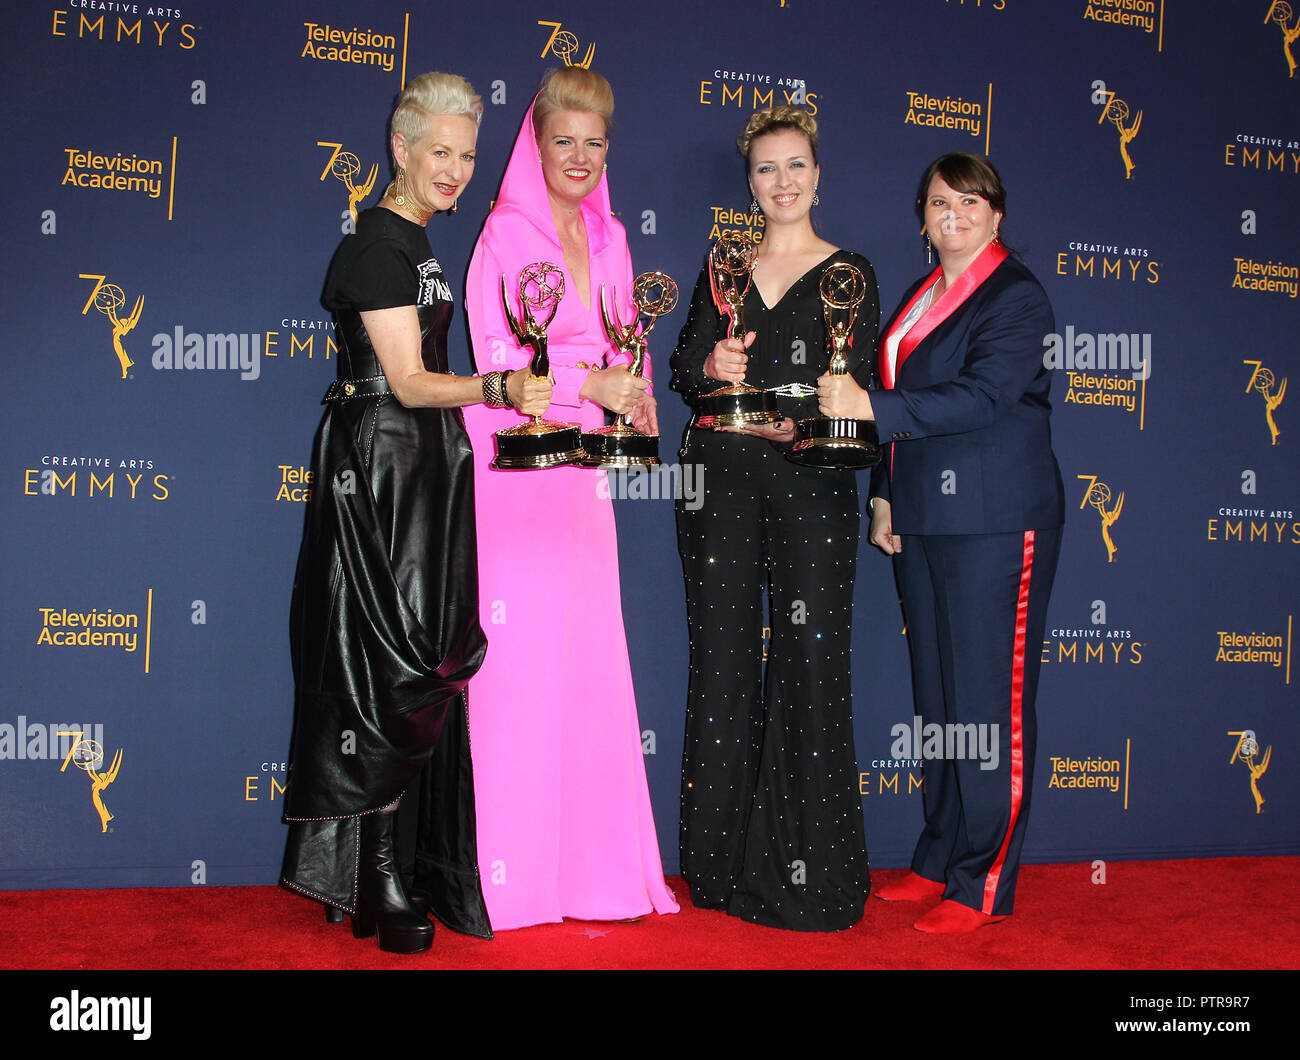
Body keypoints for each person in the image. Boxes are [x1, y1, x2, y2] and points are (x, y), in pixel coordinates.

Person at [280, 73, 551, 954]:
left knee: (417, 653)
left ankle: (379, 867)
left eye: (468, 154)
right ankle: (375, 878)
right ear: (399, 149)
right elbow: (403, 381)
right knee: (387, 661)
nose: (457, 170)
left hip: (421, 460)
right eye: (440, 151)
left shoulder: (418, 242)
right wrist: (501, 386)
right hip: (382, 465)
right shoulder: (377, 247)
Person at [817, 151, 1064, 933]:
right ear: (921, 218)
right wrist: (885, 496)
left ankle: (983, 882)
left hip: (998, 519)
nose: (951, 214)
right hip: (925, 518)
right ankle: (940, 856)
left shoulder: (1017, 296)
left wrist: (868, 407)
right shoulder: (926, 293)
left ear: (996, 212)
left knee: (988, 705)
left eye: (968, 201)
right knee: (942, 699)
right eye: (936, 203)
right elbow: (910, 405)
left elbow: (985, 396)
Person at [461, 67, 678, 929]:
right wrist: (594, 381)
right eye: (564, 141)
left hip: (585, 475)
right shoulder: (503, 234)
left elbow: (628, 336)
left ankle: (595, 879)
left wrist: (638, 390)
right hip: (516, 473)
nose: (580, 157)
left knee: (590, 668)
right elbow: (492, 355)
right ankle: (510, 883)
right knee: (519, 673)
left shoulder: (613, 234)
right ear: (536, 143)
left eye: (595, 143)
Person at [670, 106, 877, 931]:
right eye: (765, 170)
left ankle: (808, 872)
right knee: (720, 663)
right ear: (749, 183)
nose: (781, 182)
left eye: (795, 166)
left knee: (811, 663)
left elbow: (852, 379)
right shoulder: (725, 268)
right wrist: (711, 364)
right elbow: (685, 366)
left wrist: (808, 427)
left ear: (818, 175)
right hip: (718, 479)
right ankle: (718, 867)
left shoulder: (846, 274)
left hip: (811, 484)